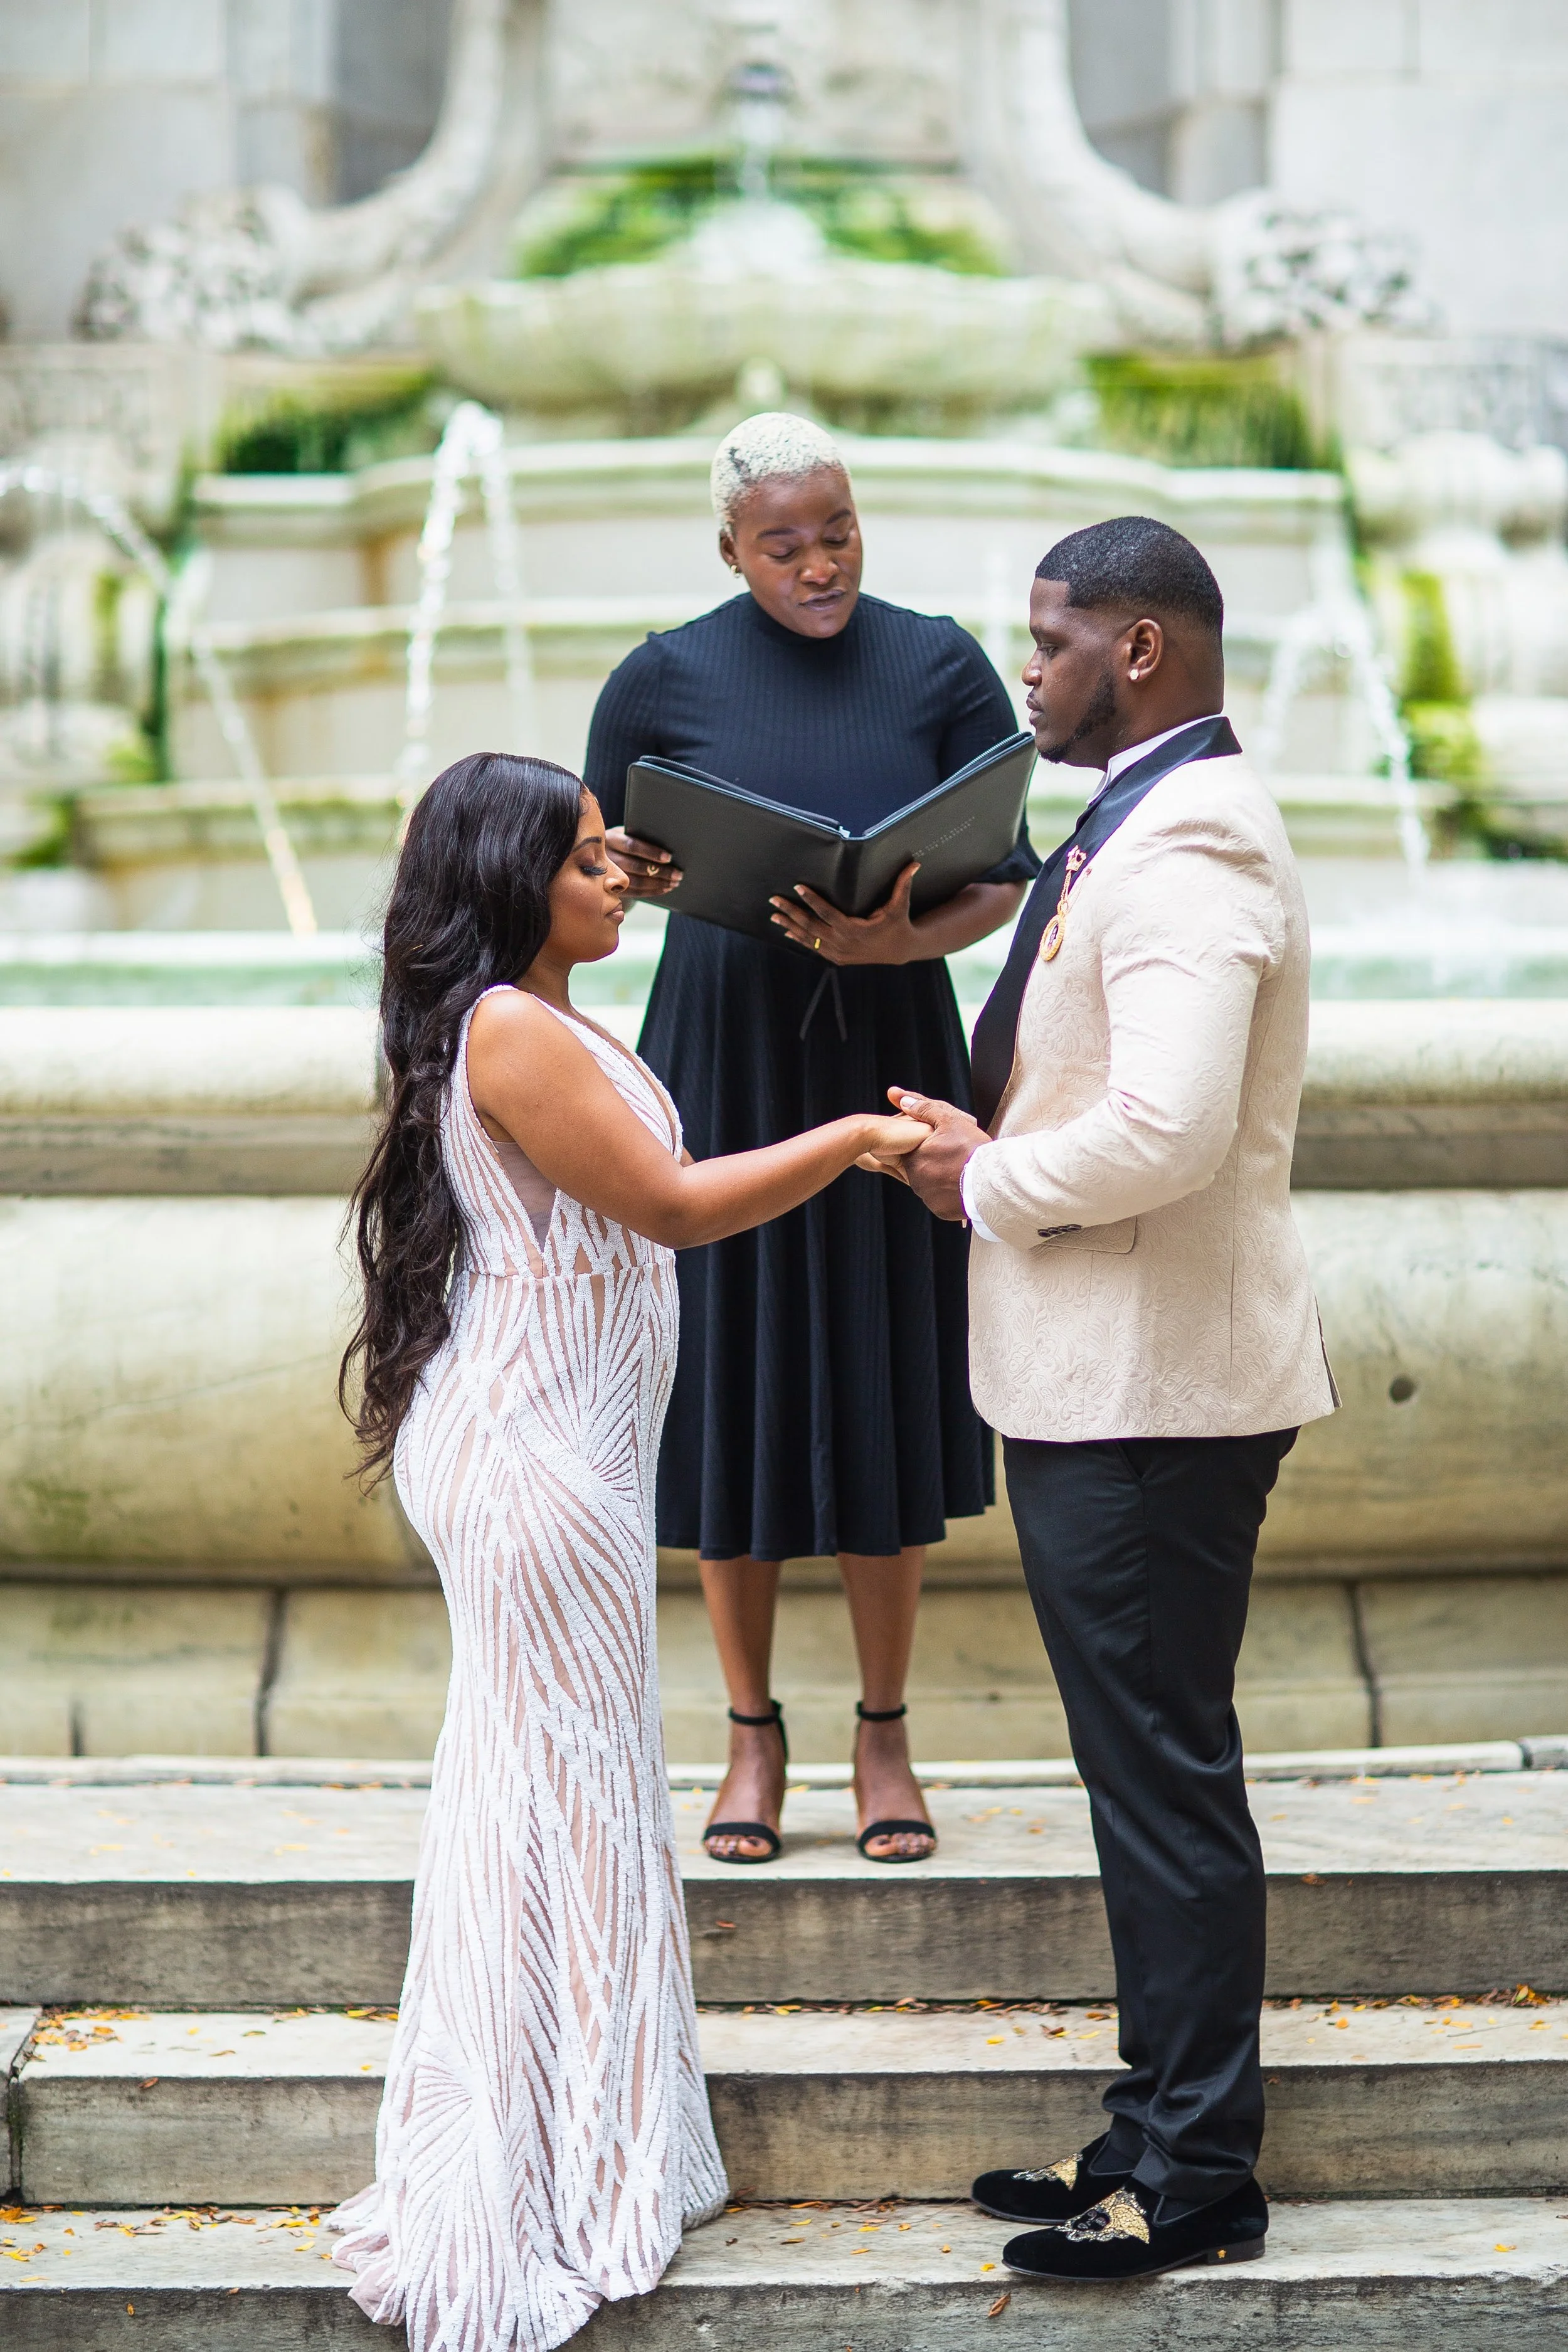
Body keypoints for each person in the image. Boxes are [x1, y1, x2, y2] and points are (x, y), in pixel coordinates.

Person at [329, 751, 930, 2351]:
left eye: (621, 852)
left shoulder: (531, 1006)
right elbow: (663, 1203)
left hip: (560, 1449)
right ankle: (531, 2171)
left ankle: (591, 2139)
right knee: (553, 1792)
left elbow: (613, 1156)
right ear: (511, 879)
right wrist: (854, 1142)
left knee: (561, 1783)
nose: (622, 870)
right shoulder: (517, 1029)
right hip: (532, 1460)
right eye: (591, 855)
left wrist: (610, 888)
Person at [869, 517, 1338, 2280]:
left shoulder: (1194, 834)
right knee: (1141, 1767)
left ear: (1138, 648)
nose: (1027, 669)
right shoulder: (1138, 809)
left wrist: (984, 1182)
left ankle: (1199, 2171)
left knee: (1161, 1775)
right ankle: (1151, 2122)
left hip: (1154, 1398)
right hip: (1114, 1381)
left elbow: (1170, 1128)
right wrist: (990, 1139)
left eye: (1049, 639)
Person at [585, 411, 1038, 1865]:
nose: (818, 562)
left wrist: (897, 938)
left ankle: (885, 1736)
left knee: (878, 1374)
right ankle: (747, 1739)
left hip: (891, 1045)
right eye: (782, 543)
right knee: (731, 1382)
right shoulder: (661, 674)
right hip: (717, 1055)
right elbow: (595, 867)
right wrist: (639, 869)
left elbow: (1004, 882)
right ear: (730, 549)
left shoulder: (936, 661)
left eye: (835, 531)